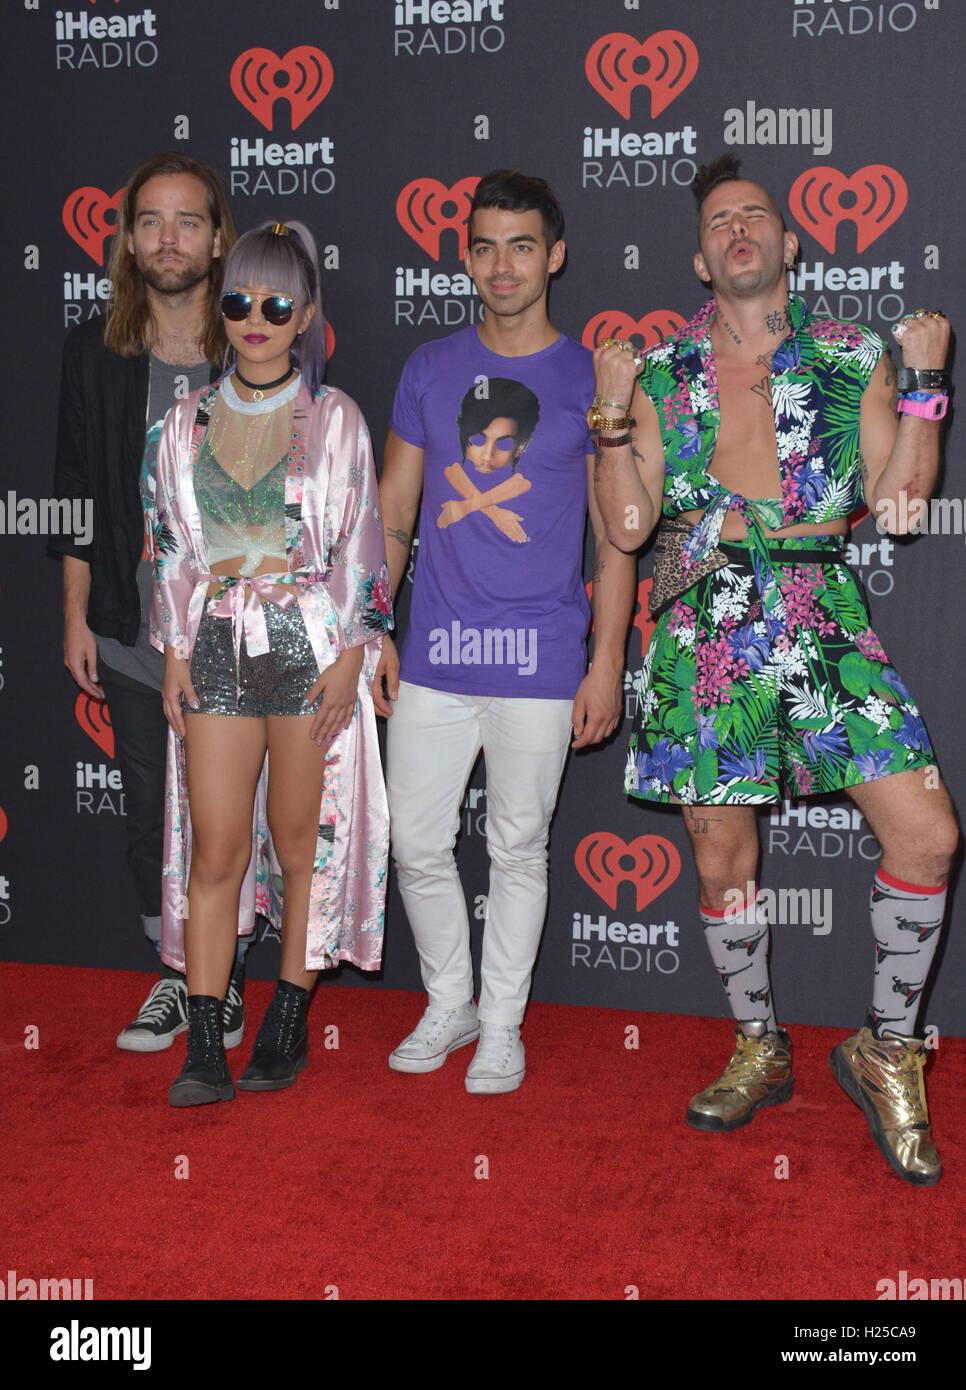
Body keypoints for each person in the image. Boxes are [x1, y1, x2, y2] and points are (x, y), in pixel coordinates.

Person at [591, 154, 957, 1185]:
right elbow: (626, 522)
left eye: (757, 217)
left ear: (793, 246)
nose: (739, 230)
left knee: (928, 835)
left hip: (819, 611)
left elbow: (900, 506)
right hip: (705, 622)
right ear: (702, 258)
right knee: (721, 865)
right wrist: (610, 414)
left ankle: (886, 1043)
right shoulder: (656, 368)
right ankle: (758, 1043)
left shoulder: (851, 354)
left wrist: (927, 384)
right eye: (719, 222)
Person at [376, 169, 636, 1094]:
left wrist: (607, 663)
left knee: (519, 845)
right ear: (466, 256)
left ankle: (501, 1024)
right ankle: (449, 1001)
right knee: (414, 840)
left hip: (541, 655)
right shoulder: (429, 367)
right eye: (484, 245)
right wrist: (376, 624)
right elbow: (395, 512)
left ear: (555, 255)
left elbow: (618, 540)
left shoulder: (593, 378)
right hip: (439, 649)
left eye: (521, 244)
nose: (502, 264)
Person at [151, 219, 392, 1106]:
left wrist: (353, 653)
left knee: (300, 841)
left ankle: (288, 1016)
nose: (256, 318)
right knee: (214, 849)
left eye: (276, 303)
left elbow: (362, 542)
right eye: (240, 301)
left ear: (305, 314)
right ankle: (206, 1040)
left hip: (307, 646)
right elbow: (173, 546)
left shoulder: (335, 421)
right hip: (214, 643)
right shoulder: (186, 421)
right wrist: (174, 648)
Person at [51, 151, 245, 1053]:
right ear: (130, 240)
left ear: (217, 240)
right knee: (146, 811)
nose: (170, 239)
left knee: (228, 814)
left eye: (189, 222)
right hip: (131, 627)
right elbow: (77, 487)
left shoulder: (257, 337)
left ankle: (227, 976)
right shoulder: (92, 351)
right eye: (152, 222)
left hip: (241, 631)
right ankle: (174, 976)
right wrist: (76, 613)